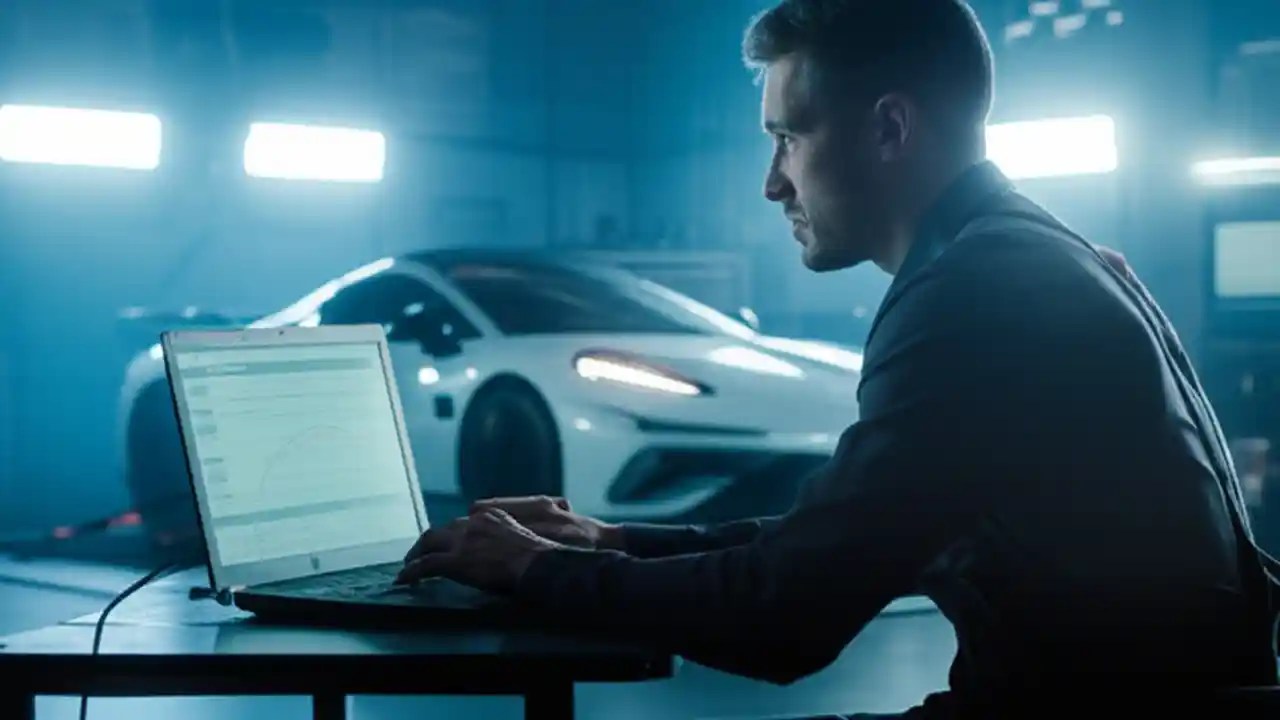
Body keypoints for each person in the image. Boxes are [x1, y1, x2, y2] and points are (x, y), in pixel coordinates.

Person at [398, 0, 1280, 716]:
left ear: (890, 127)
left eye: (788, 136)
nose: (771, 181)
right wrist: (619, 541)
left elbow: (785, 618)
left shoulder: (971, 294)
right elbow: (843, 538)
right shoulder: (1034, 255)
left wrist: (538, 570)